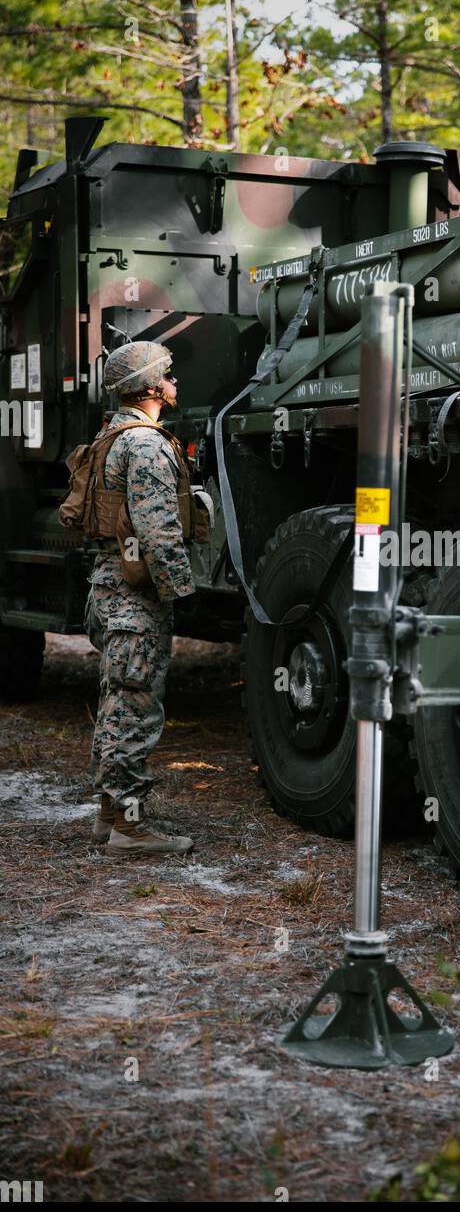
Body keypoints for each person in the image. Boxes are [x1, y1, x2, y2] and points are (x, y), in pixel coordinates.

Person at [85, 340, 196, 860]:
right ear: (151, 387)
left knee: (117, 702)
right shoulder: (147, 445)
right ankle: (128, 828)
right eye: (169, 376)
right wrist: (181, 589)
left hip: (108, 588)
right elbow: (158, 531)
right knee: (135, 709)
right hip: (135, 600)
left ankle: (111, 817)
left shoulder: (113, 435)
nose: (175, 384)